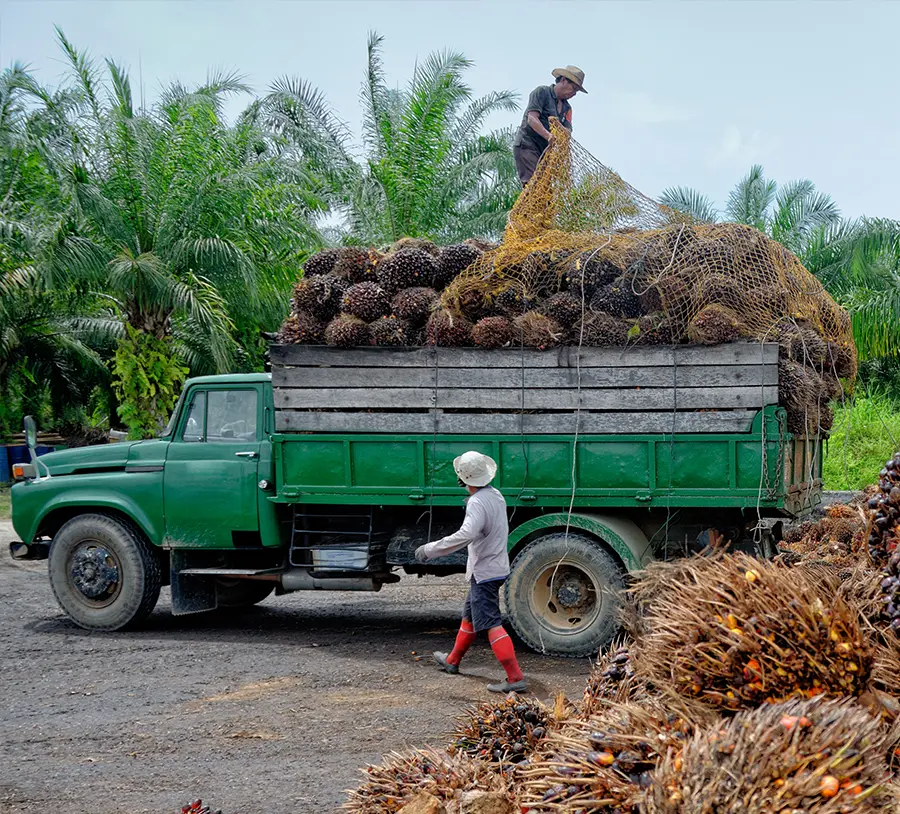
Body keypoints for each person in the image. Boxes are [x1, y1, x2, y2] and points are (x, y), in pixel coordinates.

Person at [414, 451, 527, 693]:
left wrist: (430, 549)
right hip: (494, 567)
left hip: (485, 571)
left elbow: (466, 534)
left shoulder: (477, 503)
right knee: (470, 616)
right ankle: (452, 661)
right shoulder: (495, 495)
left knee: (490, 623)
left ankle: (515, 677)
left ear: (463, 480)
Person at [512, 66, 588, 186]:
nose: (574, 94)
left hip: (544, 152)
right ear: (563, 80)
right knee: (534, 186)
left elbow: (567, 132)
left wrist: (559, 128)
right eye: (573, 88)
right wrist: (548, 135)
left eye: (576, 92)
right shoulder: (542, 92)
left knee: (546, 191)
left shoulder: (567, 108)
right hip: (527, 146)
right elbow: (532, 118)